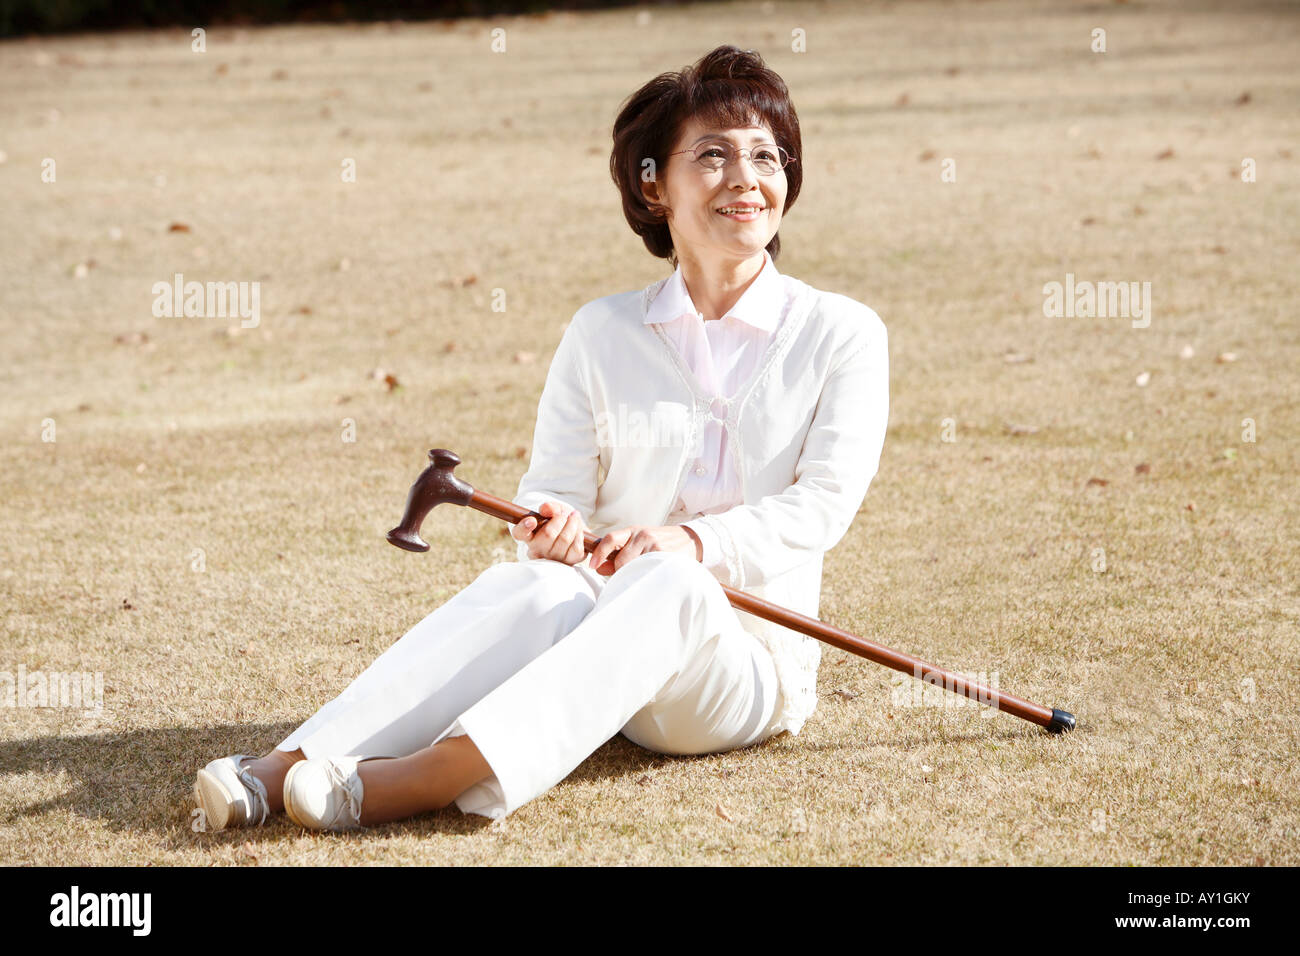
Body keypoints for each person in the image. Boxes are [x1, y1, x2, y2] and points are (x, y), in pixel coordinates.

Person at [192, 44, 889, 832]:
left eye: (767, 156)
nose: (746, 178)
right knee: (536, 586)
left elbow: (822, 506)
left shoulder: (843, 333)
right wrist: (551, 528)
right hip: (603, 657)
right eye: (714, 154)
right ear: (653, 183)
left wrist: (687, 542)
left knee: (673, 583)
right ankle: (283, 766)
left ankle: (418, 780)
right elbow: (555, 490)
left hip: (743, 676)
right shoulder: (601, 331)